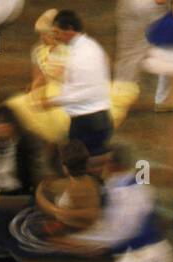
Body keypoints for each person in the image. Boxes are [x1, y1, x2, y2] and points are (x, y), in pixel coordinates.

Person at [44, 10, 112, 158]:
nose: (55, 36)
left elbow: (83, 92)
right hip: (101, 118)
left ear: (69, 29)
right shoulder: (92, 46)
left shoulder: (81, 56)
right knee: (93, 166)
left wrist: (52, 101)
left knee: (81, 165)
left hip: (87, 122)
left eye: (57, 31)